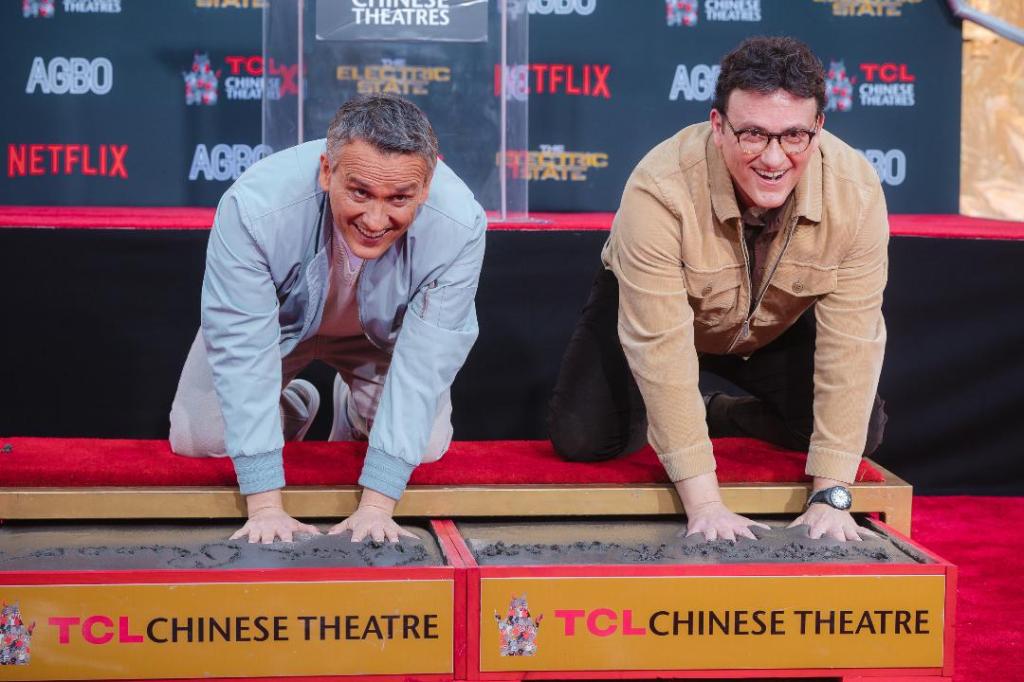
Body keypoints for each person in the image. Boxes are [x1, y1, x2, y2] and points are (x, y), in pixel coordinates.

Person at [548, 36, 888, 543]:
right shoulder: (658, 188)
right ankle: (678, 417)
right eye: (752, 133)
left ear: (818, 129)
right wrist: (705, 504)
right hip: (661, 319)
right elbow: (660, 347)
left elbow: (853, 345)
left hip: (773, 325)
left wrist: (831, 495)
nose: (774, 158)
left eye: (794, 135)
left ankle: (717, 412)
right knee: (585, 439)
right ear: (717, 126)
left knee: (860, 432)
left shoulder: (856, 192)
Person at [169, 94, 486, 544]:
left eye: (399, 198)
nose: (376, 219)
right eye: (360, 193)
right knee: (196, 438)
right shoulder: (254, 207)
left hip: (378, 341)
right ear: (326, 171)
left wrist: (377, 506)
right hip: (276, 332)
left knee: (428, 446)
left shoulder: (460, 224)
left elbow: (427, 361)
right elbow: (241, 348)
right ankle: (291, 406)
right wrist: (264, 508)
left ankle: (355, 408)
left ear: (426, 186)